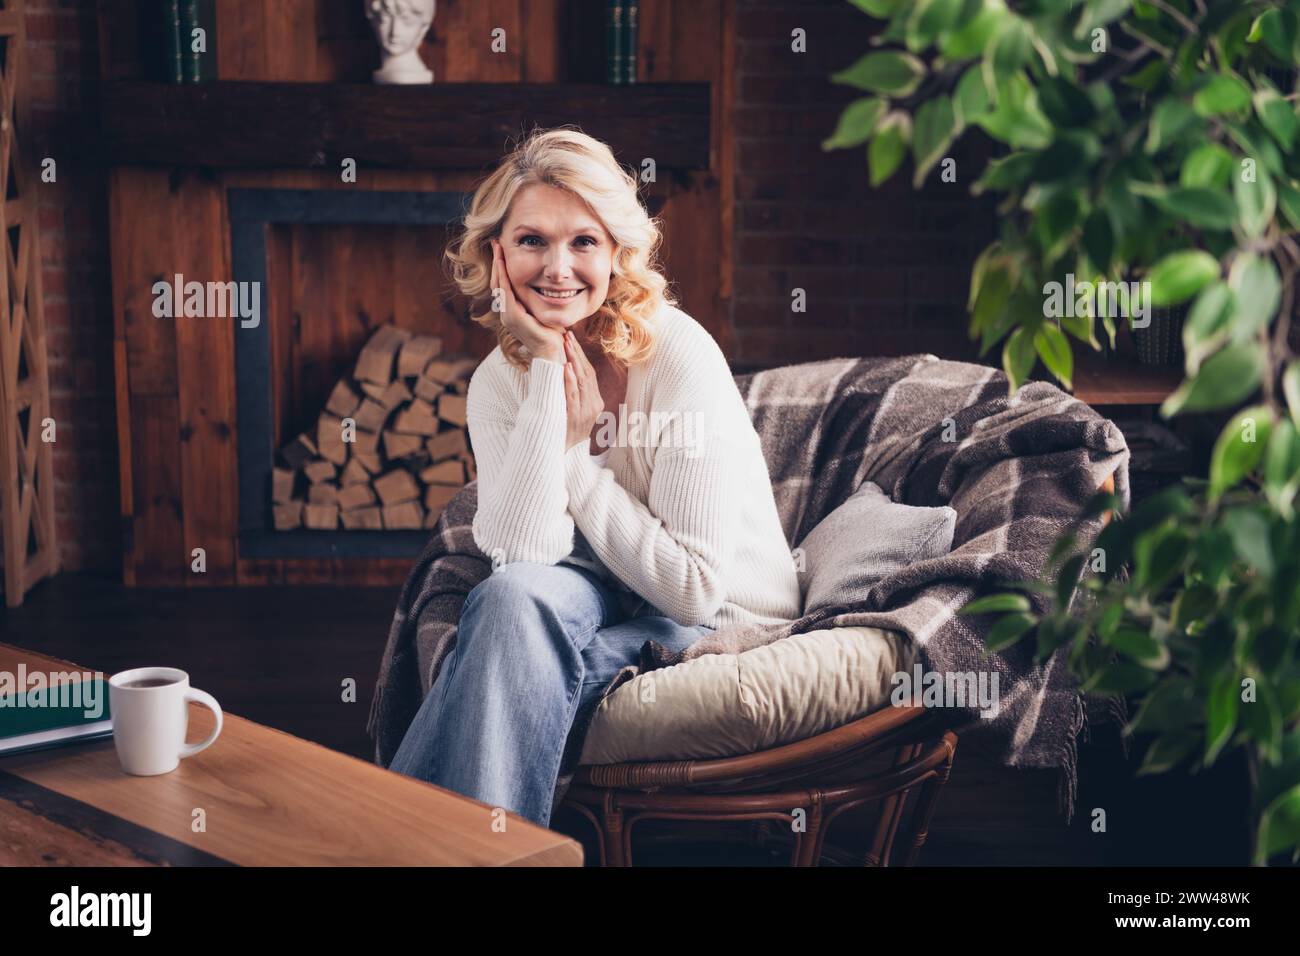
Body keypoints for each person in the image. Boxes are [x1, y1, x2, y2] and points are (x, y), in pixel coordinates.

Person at [388, 127, 801, 829]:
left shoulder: (676, 353)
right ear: (496, 254)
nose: (557, 268)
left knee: (495, 657)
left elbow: (696, 587)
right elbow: (520, 557)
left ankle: (377, 835)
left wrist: (573, 459)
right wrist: (546, 366)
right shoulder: (498, 383)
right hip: (599, 586)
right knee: (511, 601)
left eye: (582, 241)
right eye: (531, 241)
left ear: (616, 251)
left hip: (714, 614)